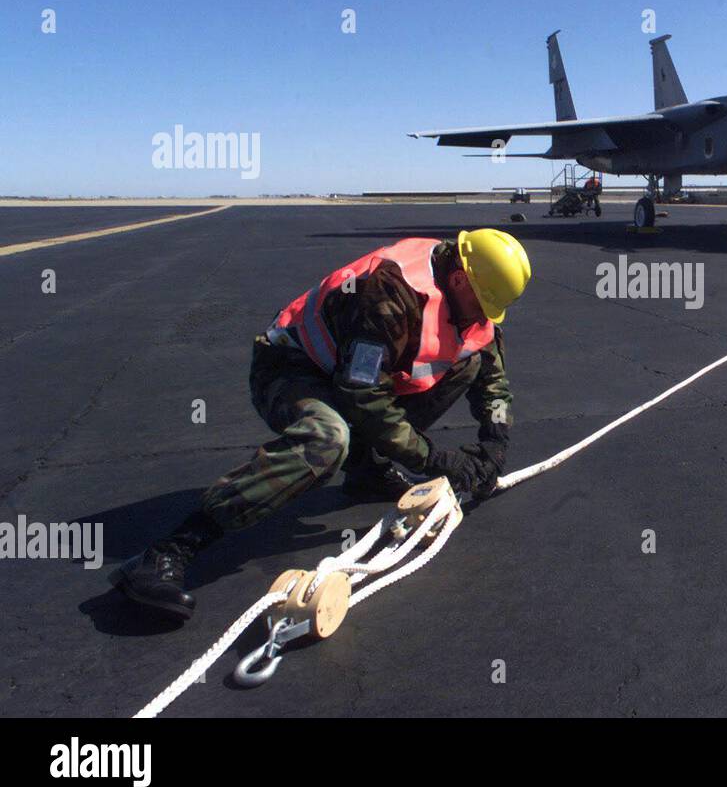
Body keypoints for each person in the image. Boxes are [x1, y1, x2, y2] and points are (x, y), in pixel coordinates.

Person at [111, 229, 531, 620]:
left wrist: (495, 443)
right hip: (293, 367)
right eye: (482, 303)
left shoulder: (472, 308)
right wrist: (434, 459)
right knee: (327, 441)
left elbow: (492, 380)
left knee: (467, 364)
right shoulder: (389, 292)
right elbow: (362, 395)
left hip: (353, 377)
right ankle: (170, 549)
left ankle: (366, 470)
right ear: (458, 279)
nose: (484, 317)